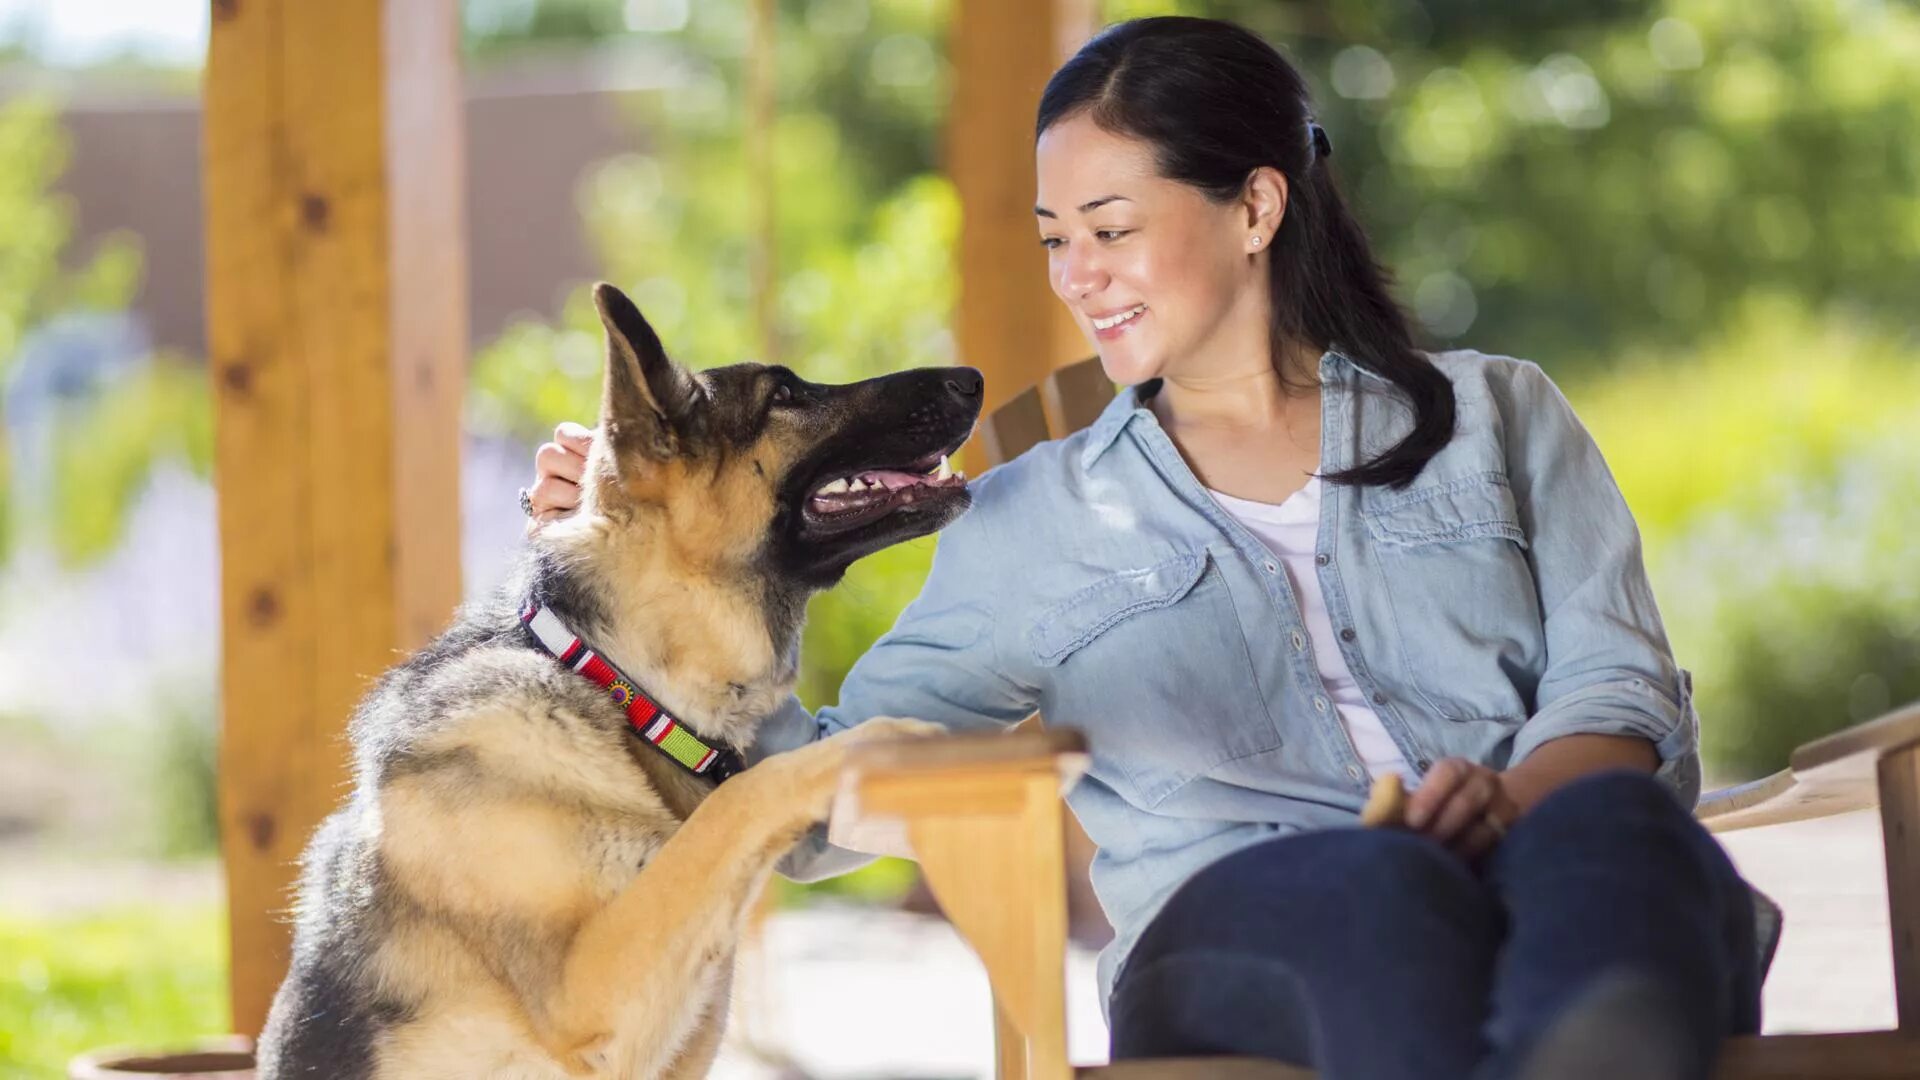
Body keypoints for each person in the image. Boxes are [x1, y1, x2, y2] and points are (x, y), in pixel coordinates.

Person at [522, 17, 1761, 1080]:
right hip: (1248, 933)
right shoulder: (1034, 521)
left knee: (1623, 830)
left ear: (1256, 207)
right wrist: (641, 563)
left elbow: (1618, 693)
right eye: (1056, 238)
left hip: (1549, 887)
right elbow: (810, 810)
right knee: (1386, 887)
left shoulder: (1498, 416)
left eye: (1110, 229)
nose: (1078, 276)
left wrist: (1510, 802)